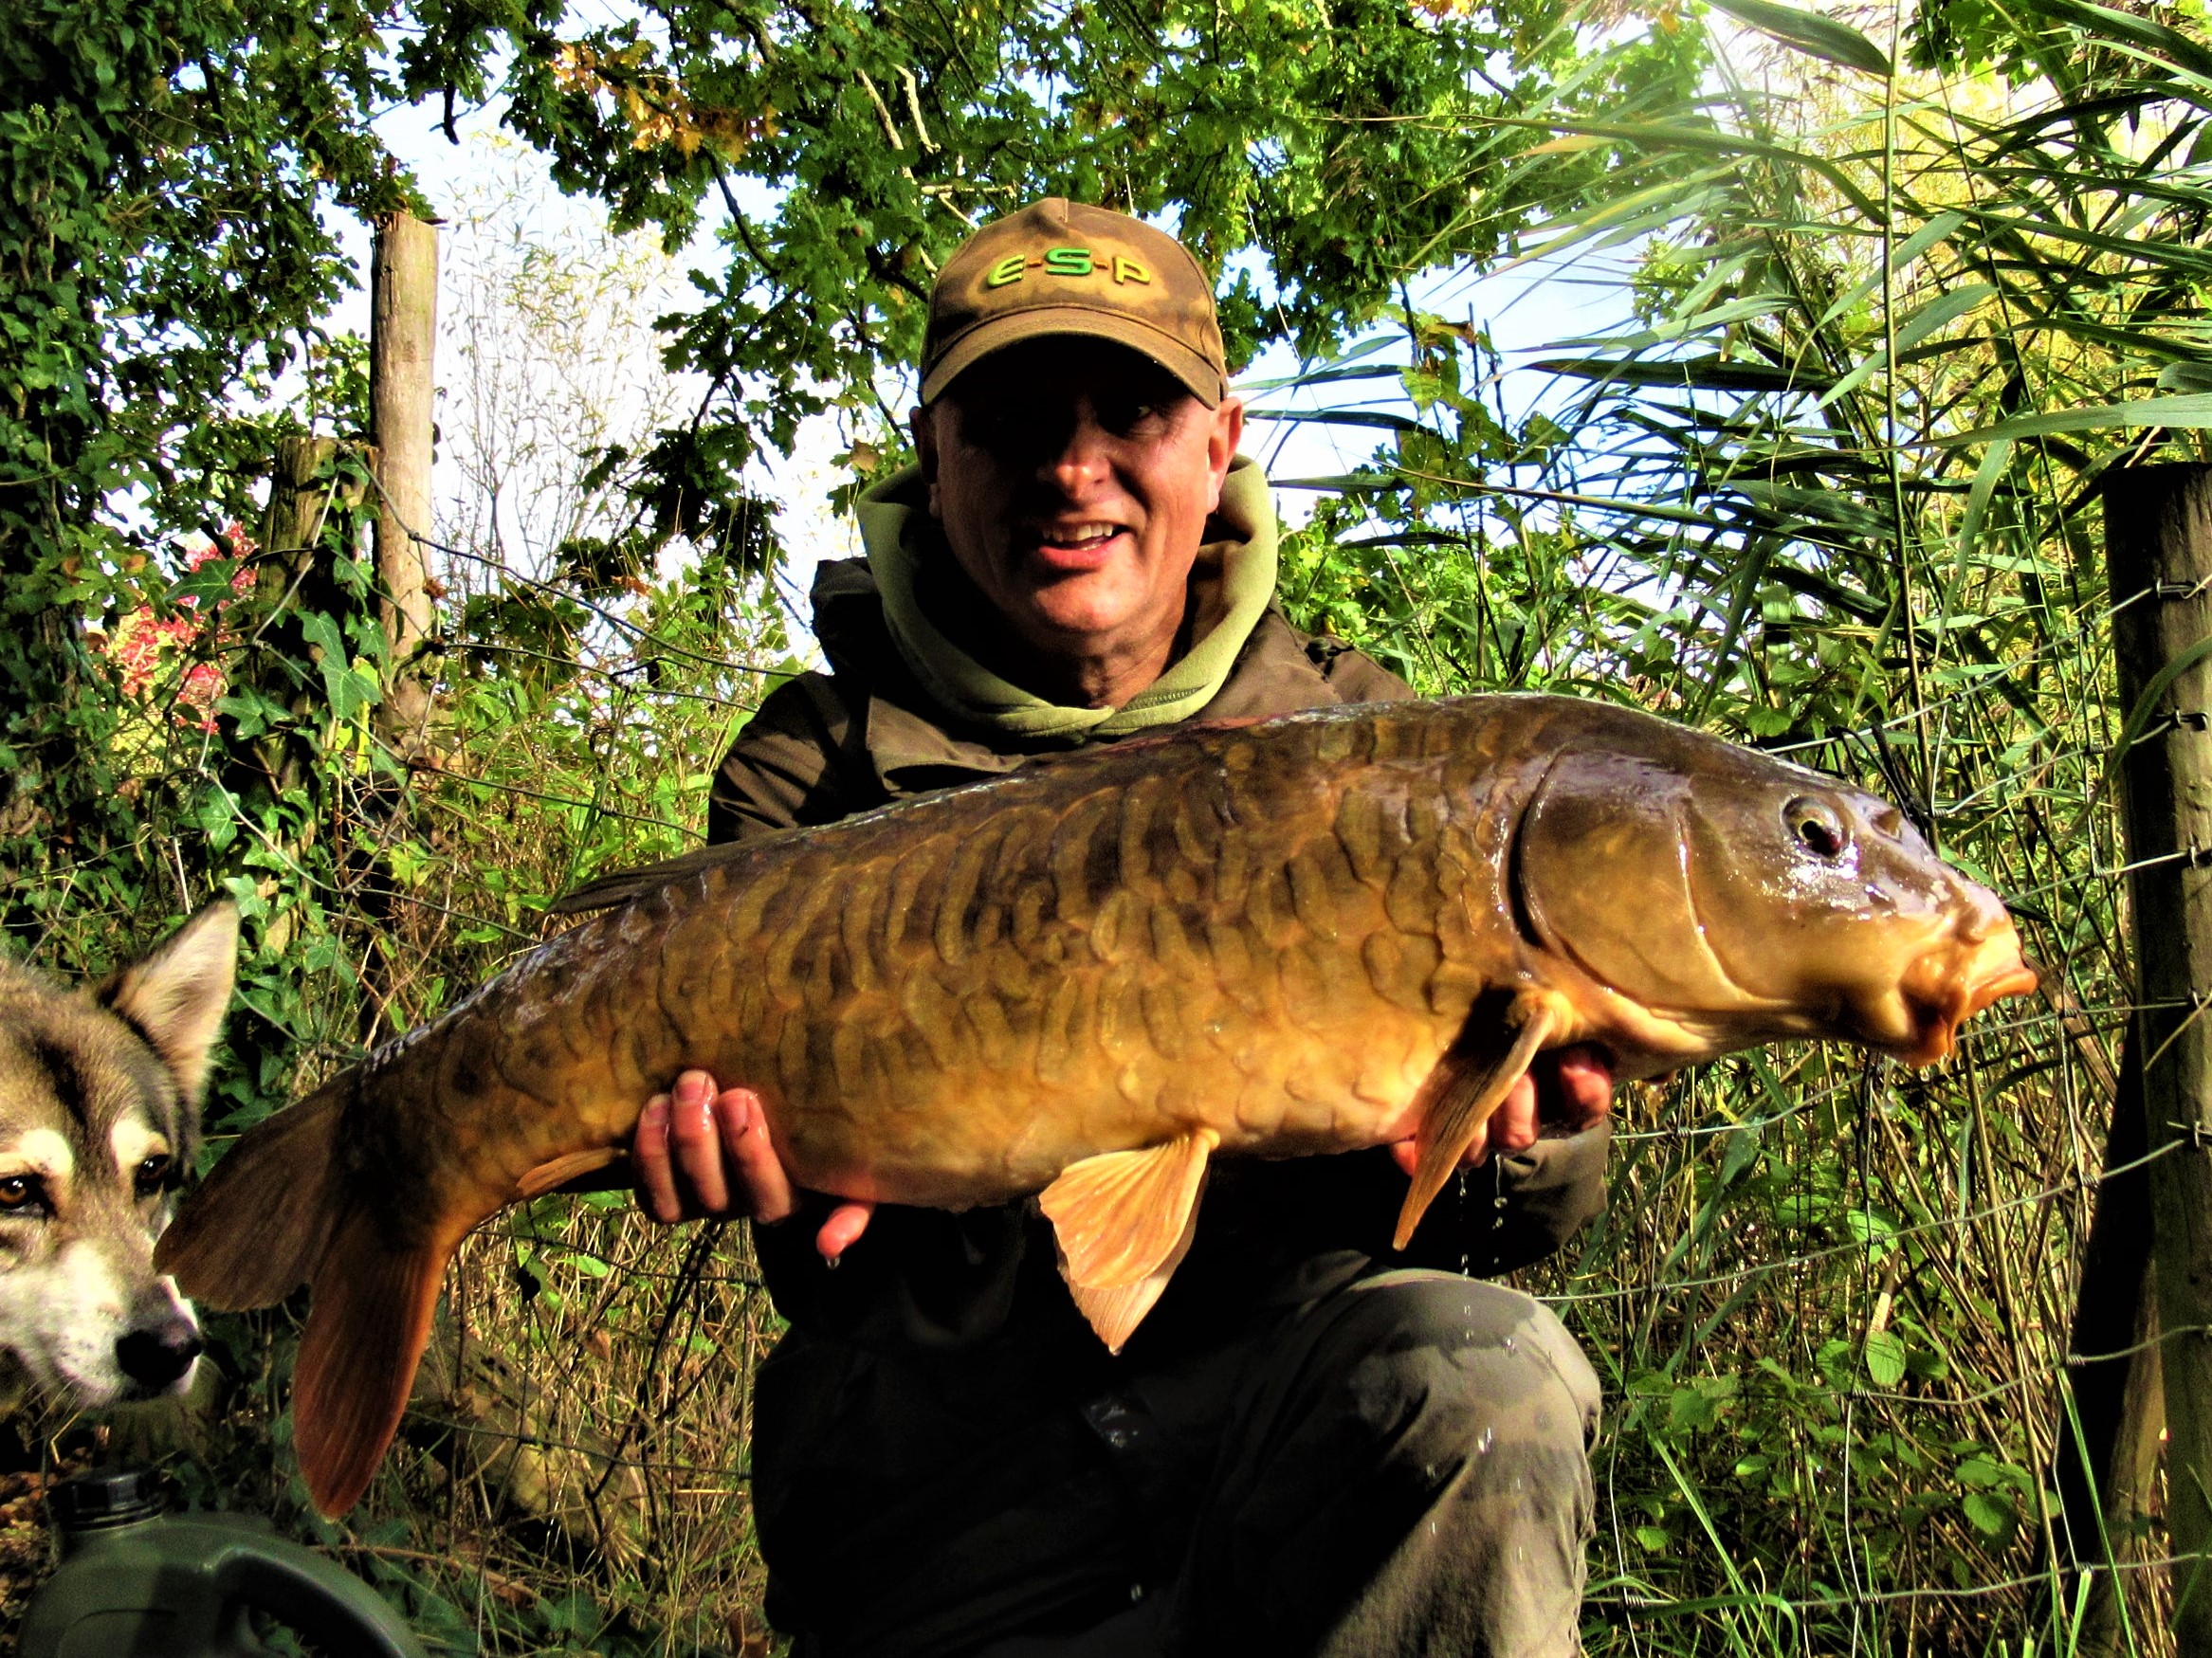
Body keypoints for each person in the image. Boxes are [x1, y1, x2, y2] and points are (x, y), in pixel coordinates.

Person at [625, 200, 1614, 1657]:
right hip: (959, 1524)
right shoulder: (813, 774)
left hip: (1291, 1448)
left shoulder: (1371, 746)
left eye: (1131, 412)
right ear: (934, 447)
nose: (1071, 467)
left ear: (1218, 443)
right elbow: (823, 1265)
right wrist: (798, 1197)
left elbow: (1503, 1229)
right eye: (1015, 415)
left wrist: (1523, 1136)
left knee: (1489, 1378)